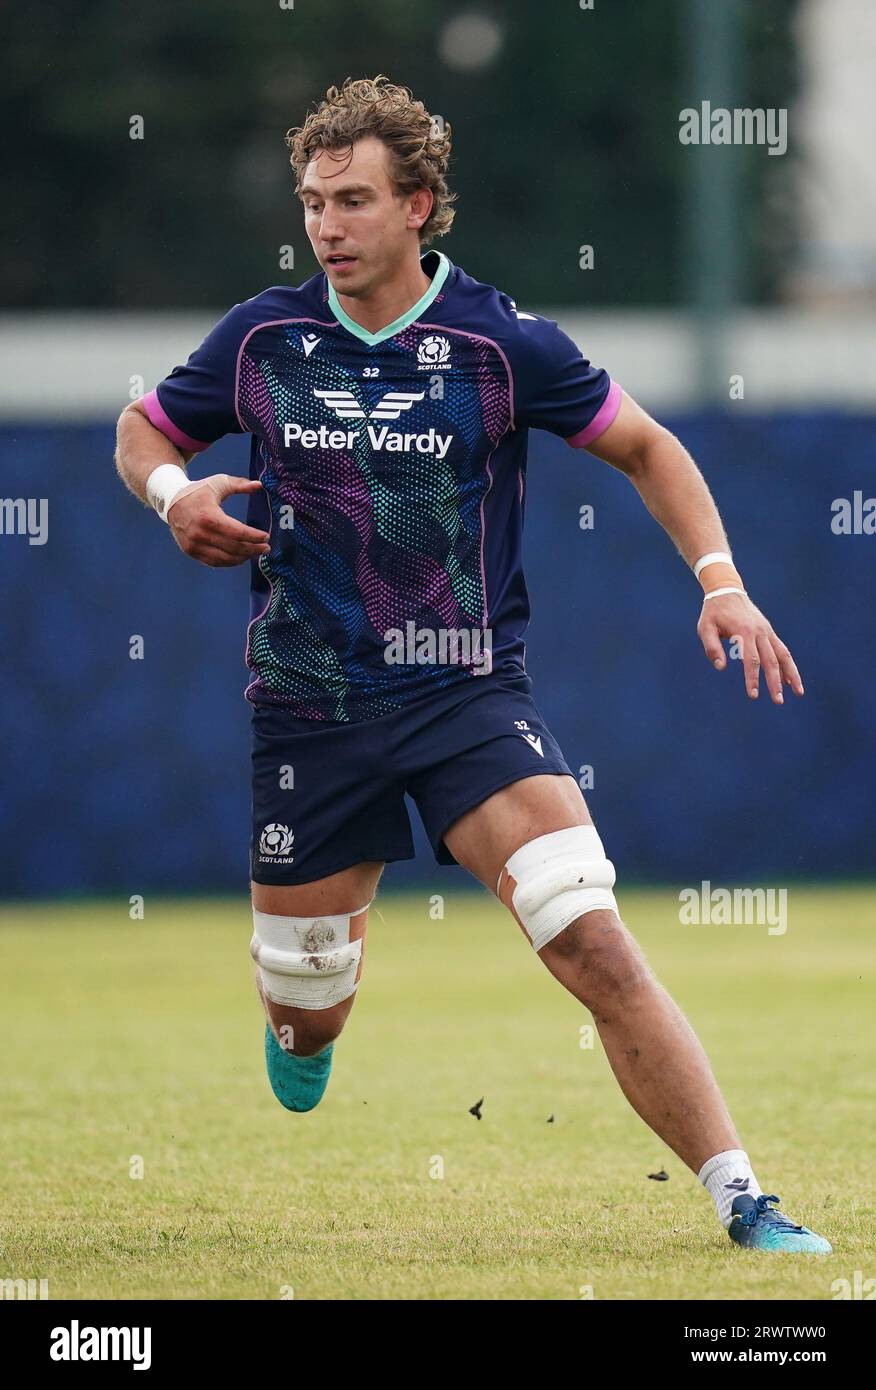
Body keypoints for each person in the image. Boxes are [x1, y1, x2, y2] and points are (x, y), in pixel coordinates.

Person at [115, 76, 829, 1254]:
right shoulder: (264, 336)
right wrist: (169, 493)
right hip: (310, 708)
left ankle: (744, 1199)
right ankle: (305, 1017)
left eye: (353, 201)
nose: (327, 226)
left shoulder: (499, 343)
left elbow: (649, 447)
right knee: (305, 1007)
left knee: (586, 928)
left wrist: (724, 585)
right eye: (312, 202)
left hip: (464, 693)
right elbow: (146, 426)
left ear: (420, 205)